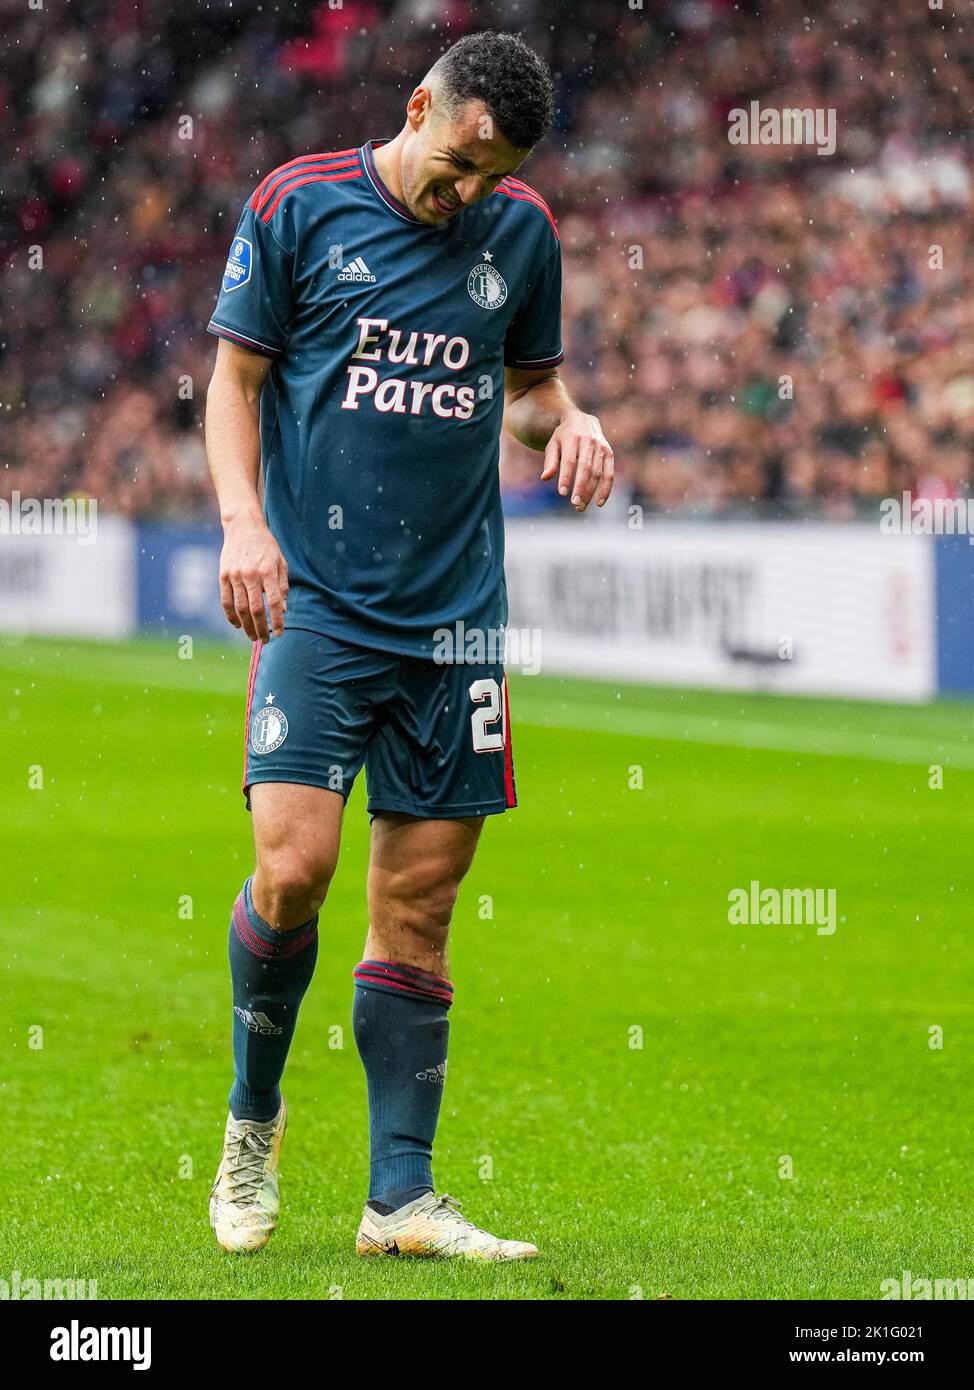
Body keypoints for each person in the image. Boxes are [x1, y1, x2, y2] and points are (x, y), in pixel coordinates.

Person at [204, 29, 614, 1261]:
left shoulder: (521, 234)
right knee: (293, 870)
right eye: (457, 165)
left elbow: (528, 388)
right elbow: (235, 380)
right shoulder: (298, 205)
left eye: (494, 176)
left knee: (419, 906)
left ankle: (399, 1198)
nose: (468, 194)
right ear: (419, 103)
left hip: (456, 621)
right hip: (322, 604)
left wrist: (570, 423)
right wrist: (242, 523)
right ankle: (249, 1118)